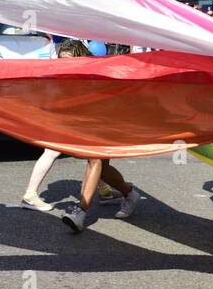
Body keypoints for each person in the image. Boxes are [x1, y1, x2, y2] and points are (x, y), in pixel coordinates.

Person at [21, 39, 139, 222]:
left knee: (97, 163)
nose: (65, 64)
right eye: (62, 60)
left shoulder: (97, 72)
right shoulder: (64, 74)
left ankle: (84, 209)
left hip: (102, 123)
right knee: (98, 165)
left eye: (69, 59)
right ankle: (123, 194)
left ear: (80, 57)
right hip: (81, 124)